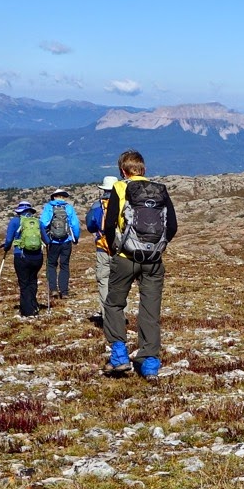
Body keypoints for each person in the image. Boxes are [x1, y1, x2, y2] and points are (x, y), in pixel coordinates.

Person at [101, 150, 178, 378]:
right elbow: (171, 226)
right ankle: (150, 363)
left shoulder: (120, 188)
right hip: (153, 261)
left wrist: (116, 247)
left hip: (125, 258)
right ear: (143, 169)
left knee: (114, 304)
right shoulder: (160, 190)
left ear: (123, 171)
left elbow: (109, 223)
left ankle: (119, 355)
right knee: (150, 311)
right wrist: (156, 247)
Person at [0, 201, 44, 318]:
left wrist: (6, 247)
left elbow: (9, 240)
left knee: (24, 283)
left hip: (21, 256)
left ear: (19, 211)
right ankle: (34, 305)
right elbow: (47, 240)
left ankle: (27, 310)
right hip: (37, 257)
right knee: (33, 280)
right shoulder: (38, 222)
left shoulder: (15, 221)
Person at [86, 175, 118, 325]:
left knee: (104, 281)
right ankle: (120, 315)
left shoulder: (97, 206)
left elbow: (90, 226)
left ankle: (108, 317)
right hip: (121, 249)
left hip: (102, 248)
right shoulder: (124, 203)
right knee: (119, 282)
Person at [41, 189, 80, 304]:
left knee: (51, 265)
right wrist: (75, 238)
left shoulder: (49, 207)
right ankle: (64, 291)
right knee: (64, 265)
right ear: (63, 197)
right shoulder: (68, 208)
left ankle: (53, 289)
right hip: (66, 241)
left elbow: (43, 223)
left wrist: (45, 239)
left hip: (52, 242)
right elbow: (75, 225)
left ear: (54, 197)